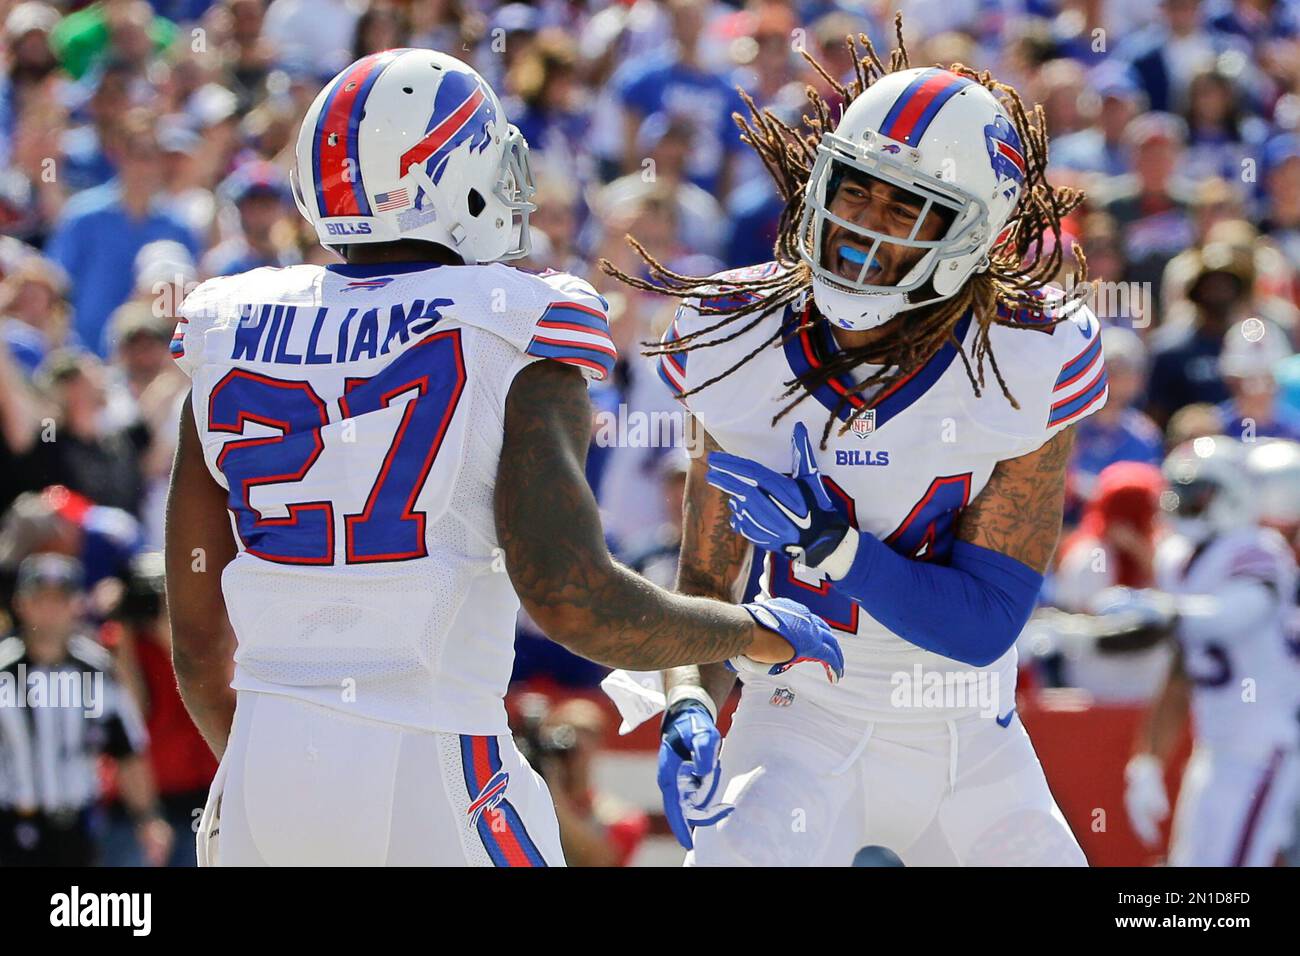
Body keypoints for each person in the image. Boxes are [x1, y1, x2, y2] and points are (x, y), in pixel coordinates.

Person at [162, 49, 841, 868]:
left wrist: (290, 759)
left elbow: (199, 645)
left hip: (263, 770)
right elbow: (571, 598)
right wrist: (753, 630)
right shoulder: (516, 320)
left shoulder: (228, 321)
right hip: (434, 758)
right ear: (443, 178)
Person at [603, 23, 1102, 866]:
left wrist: (834, 550)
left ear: (971, 239)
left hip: (970, 740)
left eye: (909, 208)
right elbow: (703, 584)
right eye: (858, 189)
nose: (864, 226)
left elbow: (987, 621)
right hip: (797, 726)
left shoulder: (1027, 357)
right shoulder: (734, 337)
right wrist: (685, 697)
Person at [1122, 437, 1300, 866]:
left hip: (1266, 744)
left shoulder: (1257, 550)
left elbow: (1230, 615)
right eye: (1178, 493)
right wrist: (1146, 760)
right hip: (1216, 745)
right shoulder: (1179, 557)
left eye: (1196, 495)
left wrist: (1160, 614)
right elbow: (1182, 667)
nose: (1183, 505)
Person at [0, 553, 170, 866]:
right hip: (12, 826)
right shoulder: (3, 673)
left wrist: (148, 817)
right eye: (41, 600)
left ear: (77, 604)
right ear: (21, 604)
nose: (50, 611)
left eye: (60, 600)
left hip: (79, 825)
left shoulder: (97, 670)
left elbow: (127, 749)